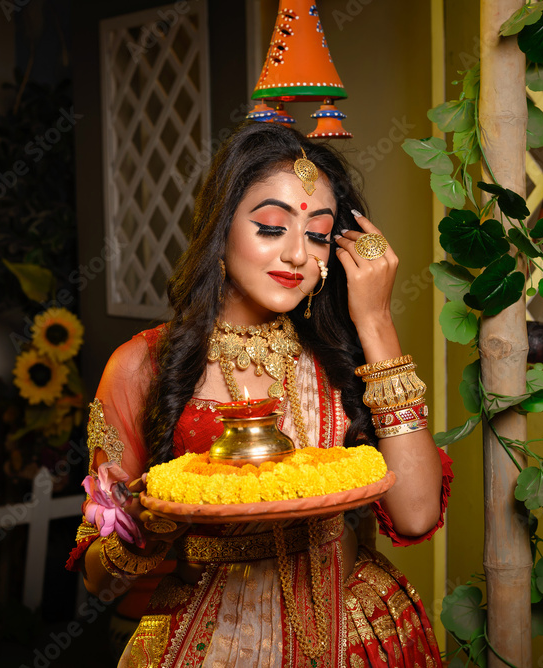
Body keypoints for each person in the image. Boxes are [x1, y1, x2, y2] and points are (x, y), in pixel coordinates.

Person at [67, 121, 453, 667]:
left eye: (318, 234)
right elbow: (97, 577)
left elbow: (414, 515)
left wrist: (376, 321)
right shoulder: (142, 366)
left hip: (354, 635)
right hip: (209, 648)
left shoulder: (340, 355)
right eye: (272, 227)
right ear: (221, 229)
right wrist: (149, 524)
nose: (298, 254)